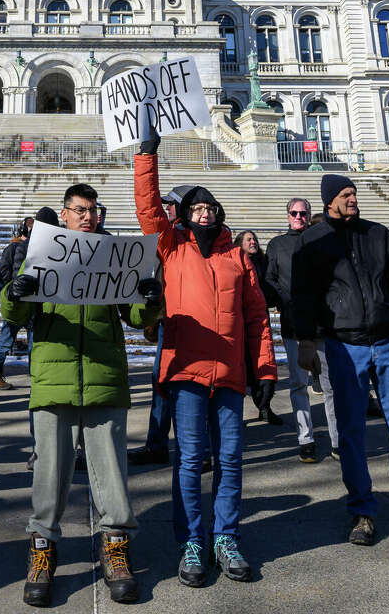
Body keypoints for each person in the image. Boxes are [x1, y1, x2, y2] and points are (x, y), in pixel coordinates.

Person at [4, 182, 158, 607]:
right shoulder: (43, 253)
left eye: (94, 210)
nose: (89, 217)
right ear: (65, 213)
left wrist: (150, 299)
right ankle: (42, 552)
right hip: (54, 379)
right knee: (49, 475)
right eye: (80, 210)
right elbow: (15, 312)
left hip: (104, 377)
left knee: (110, 472)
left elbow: (135, 315)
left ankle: (116, 549)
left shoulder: (115, 256)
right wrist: (15, 293)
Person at [136, 131, 275, 588]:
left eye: (210, 209)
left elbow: (256, 317)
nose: (204, 214)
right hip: (187, 372)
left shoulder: (237, 255)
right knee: (191, 459)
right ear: (185, 216)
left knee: (231, 460)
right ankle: (193, 541)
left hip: (231, 374)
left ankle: (226, 537)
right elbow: (148, 209)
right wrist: (147, 155)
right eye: (196, 209)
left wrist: (266, 368)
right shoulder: (171, 246)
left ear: (219, 216)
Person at [290, 174, 389, 547]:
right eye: (345, 194)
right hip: (344, 348)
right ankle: (362, 510)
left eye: (354, 193)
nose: (353, 198)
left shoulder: (379, 235)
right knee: (350, 433)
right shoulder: (312, 241)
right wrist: (307, 341)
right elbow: (303, 295)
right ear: (329, 200)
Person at [264, 197, 336, 464]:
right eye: (294, 213)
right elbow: (269, 279)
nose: (299, 217)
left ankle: (337, 439)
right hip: (294, 323)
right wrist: (287, 298)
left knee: (330, 385)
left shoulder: (321, 240)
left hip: (323, 323)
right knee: (298, 384)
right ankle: (306, 438)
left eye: (303, 213)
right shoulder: (277, 245)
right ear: (287, 216)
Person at [129, 185, 193, 467]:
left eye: (171, 204)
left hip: (189, 321)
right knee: (162, 383)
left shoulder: (184, 238)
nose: (167, 208)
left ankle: (190, 448)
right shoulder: (169, 236)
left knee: (183, 385)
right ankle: (158, 443)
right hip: (168, 317)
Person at [0, 215, 42, 391]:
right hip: (16, 302)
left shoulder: (40, 248)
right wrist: (11, 292)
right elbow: (4, 273)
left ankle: (36, 375)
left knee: (35, 343)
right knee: (5, 341)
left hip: (33, 303)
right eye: (31, 228)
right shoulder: (13, 248)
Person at [235, 229, 282, 426]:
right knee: (240, 366)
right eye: (248, 239)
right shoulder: (233, 262)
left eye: (254, 239)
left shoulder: (264, 263)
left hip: (259, 319)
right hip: (238, 320)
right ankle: (234, 414)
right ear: (239, 244)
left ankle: (264, 406)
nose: (253, 241)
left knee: (263, 366)